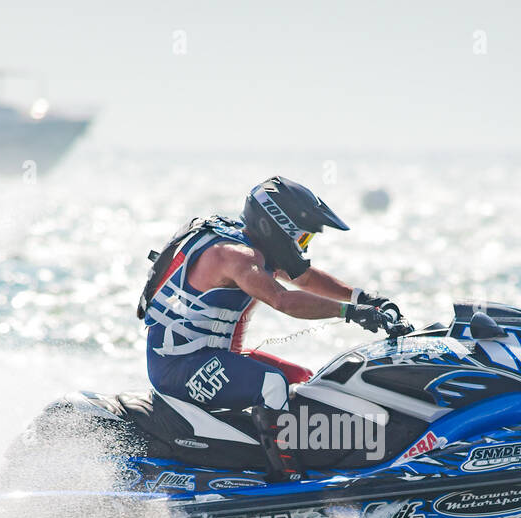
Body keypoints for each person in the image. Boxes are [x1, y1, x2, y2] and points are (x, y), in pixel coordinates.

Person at [137, 176, 403, 480]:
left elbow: (303, 278)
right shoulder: (236, 256)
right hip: (179, 367)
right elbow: (283, 299)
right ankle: (285, 477)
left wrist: (364, 298)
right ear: (275, 226)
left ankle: (283, 454)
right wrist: (352, 312)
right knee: (271, 385)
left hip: (207, 357)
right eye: (302, 238)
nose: (302, 247)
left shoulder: (252, 248)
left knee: (305, 381)